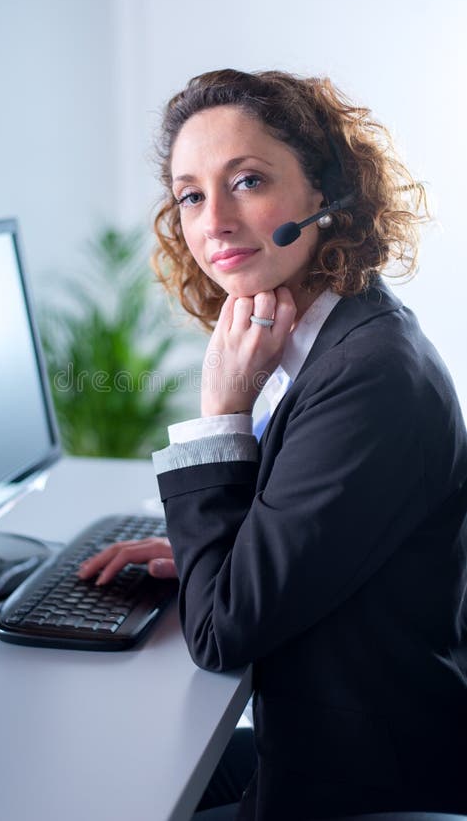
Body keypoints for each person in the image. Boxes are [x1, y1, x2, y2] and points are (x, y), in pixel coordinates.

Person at [78, 69, 467, 820]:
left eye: (247, 181)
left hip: (356, 786)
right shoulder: (322, 336)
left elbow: (223, 631)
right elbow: (296, 547)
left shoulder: (368, 378)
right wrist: (209, 550)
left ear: (325, 194)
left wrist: (219, 409)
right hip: (329, 744)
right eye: (191, 195)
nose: (213, 221)